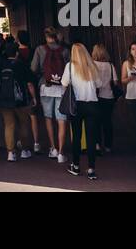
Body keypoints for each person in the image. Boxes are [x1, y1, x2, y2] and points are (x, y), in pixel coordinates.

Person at [64, 43, 101, 179]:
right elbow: (99, 84)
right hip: (92, 104)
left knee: (77, 137)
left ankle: (76, 166)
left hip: (77, 106)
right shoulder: (92, 66)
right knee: (91, 138)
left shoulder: (69, 67)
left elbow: (64, 83)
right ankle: (91, 169)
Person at [32, 27, 70, 161]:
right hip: (61, 88)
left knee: (48, 118)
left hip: (45, 86)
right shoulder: (65, 50)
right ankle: (61, 153)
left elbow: (33, 68)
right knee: (61, 120)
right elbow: (69, 69)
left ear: (46, 37)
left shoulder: (40, 50)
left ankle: (52, 148)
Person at [0, 40, 33, 161]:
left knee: (9, 125)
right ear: (16, 53)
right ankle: (25, 150)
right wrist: (34, 98)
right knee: (24, 124)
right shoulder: (21, 64)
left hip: (4, 99)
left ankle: (10, 152)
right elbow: (29, 83)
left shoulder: (1, 64)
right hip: (20, 100)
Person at [15, 30, 41, 156]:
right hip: (31, 83)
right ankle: (36, 143)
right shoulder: (33, 51)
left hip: (19, 87)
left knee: (21, 118)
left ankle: (22, 141)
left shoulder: (16, 53)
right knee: (33, 116)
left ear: (18, 39)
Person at [91, 43, 116, 154]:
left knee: (95, 121)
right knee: (107, 121)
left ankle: (97, 144)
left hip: (96, 97)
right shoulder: (110, 65)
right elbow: (115, 81)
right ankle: (108, 146)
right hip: (109, 96)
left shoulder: (92, 65)